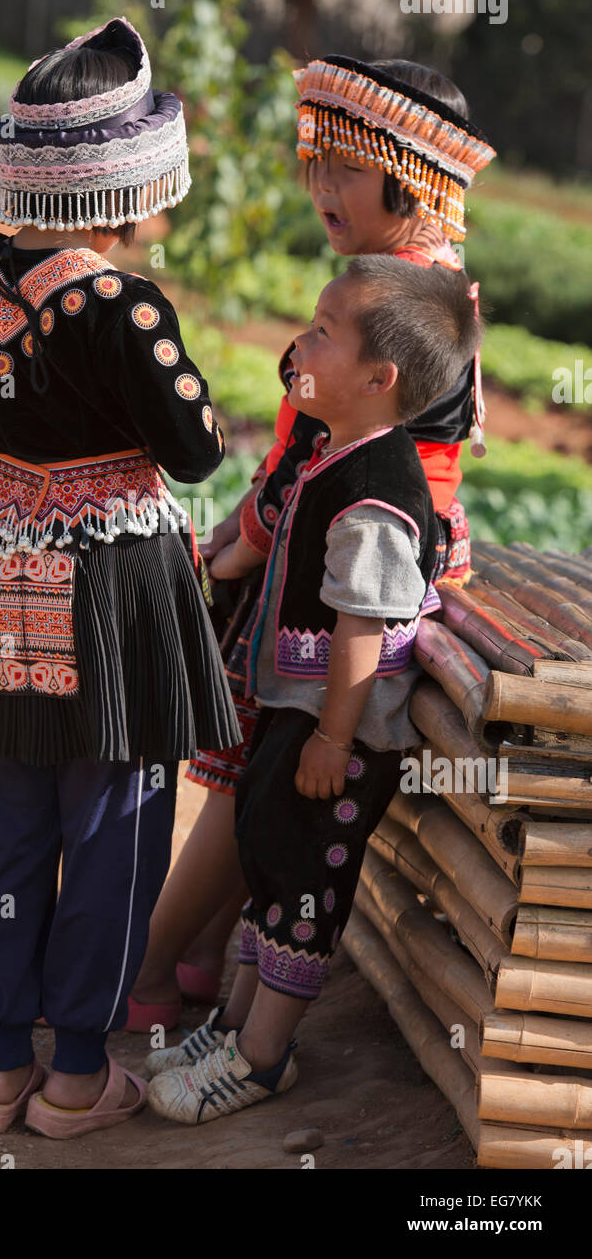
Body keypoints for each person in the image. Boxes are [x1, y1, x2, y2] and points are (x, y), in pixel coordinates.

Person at [0, 17, 241, 1138]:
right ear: (123, 185)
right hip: (114, 585)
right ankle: (77, 1075)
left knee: (10, 820)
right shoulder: (122, 307)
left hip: (1, 553)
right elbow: (195, 449)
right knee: (113, 817)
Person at [127, 55, 496, 1030]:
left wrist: (239, 544)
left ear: (408, 176)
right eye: (317, 164)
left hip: (331, 573)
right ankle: (196, 962)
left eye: (346, 167)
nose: (322, 188)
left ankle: (150, 968)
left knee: (249, 781)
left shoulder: (403, 301)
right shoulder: (427, 283)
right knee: (251, 780)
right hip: (344, 557)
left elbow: (328, 459)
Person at [145, 252, 482, 1122]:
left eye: (324, 332)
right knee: (270, 866)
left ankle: (259, 1059)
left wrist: (333, 739)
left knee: (303, 891)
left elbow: (360, 631)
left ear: (379, 378)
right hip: (301, 720)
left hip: (338, 735)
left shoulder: (374, 493)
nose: (302, 341)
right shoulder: (338, 456)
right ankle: (233, 1026)